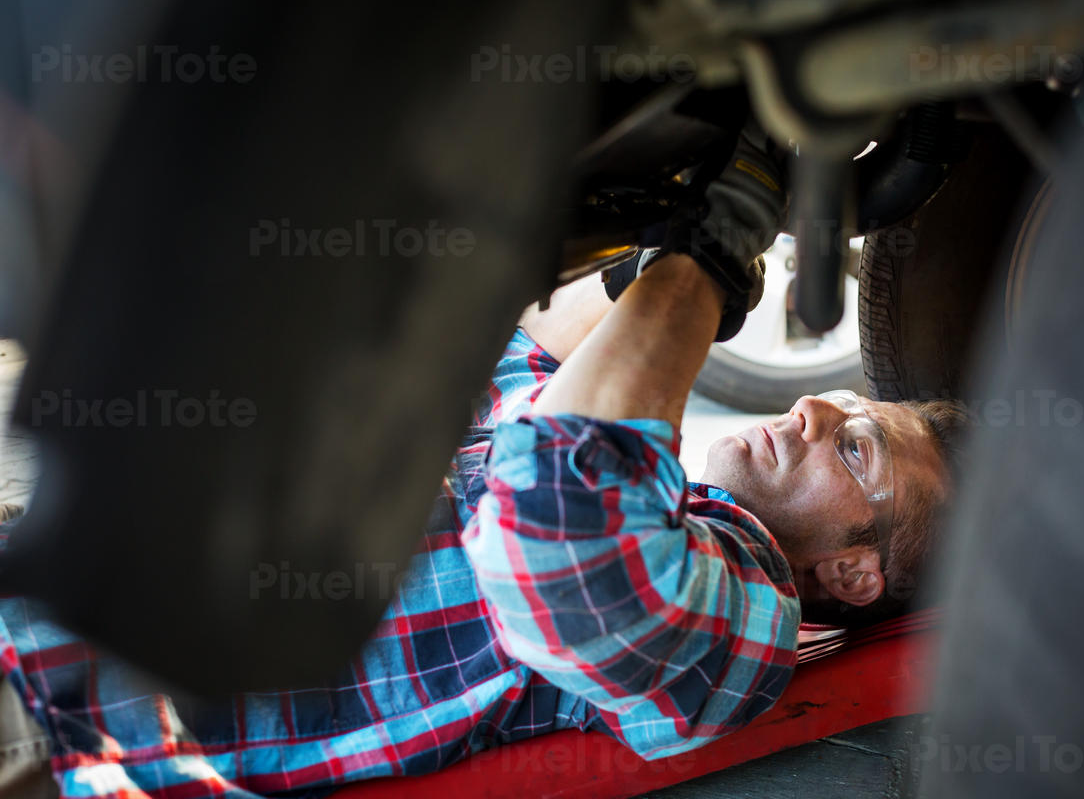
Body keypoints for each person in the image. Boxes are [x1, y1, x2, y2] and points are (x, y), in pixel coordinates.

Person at [0, 125, 968, 797]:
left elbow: (559, 529)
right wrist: (684, 236)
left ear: (854, 570)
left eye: (854, 444)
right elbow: (518, 343)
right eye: (838, 404)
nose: (811, 406)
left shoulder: (745, 629)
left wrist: (716, 254)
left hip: (58, 719)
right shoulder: (662, 492)